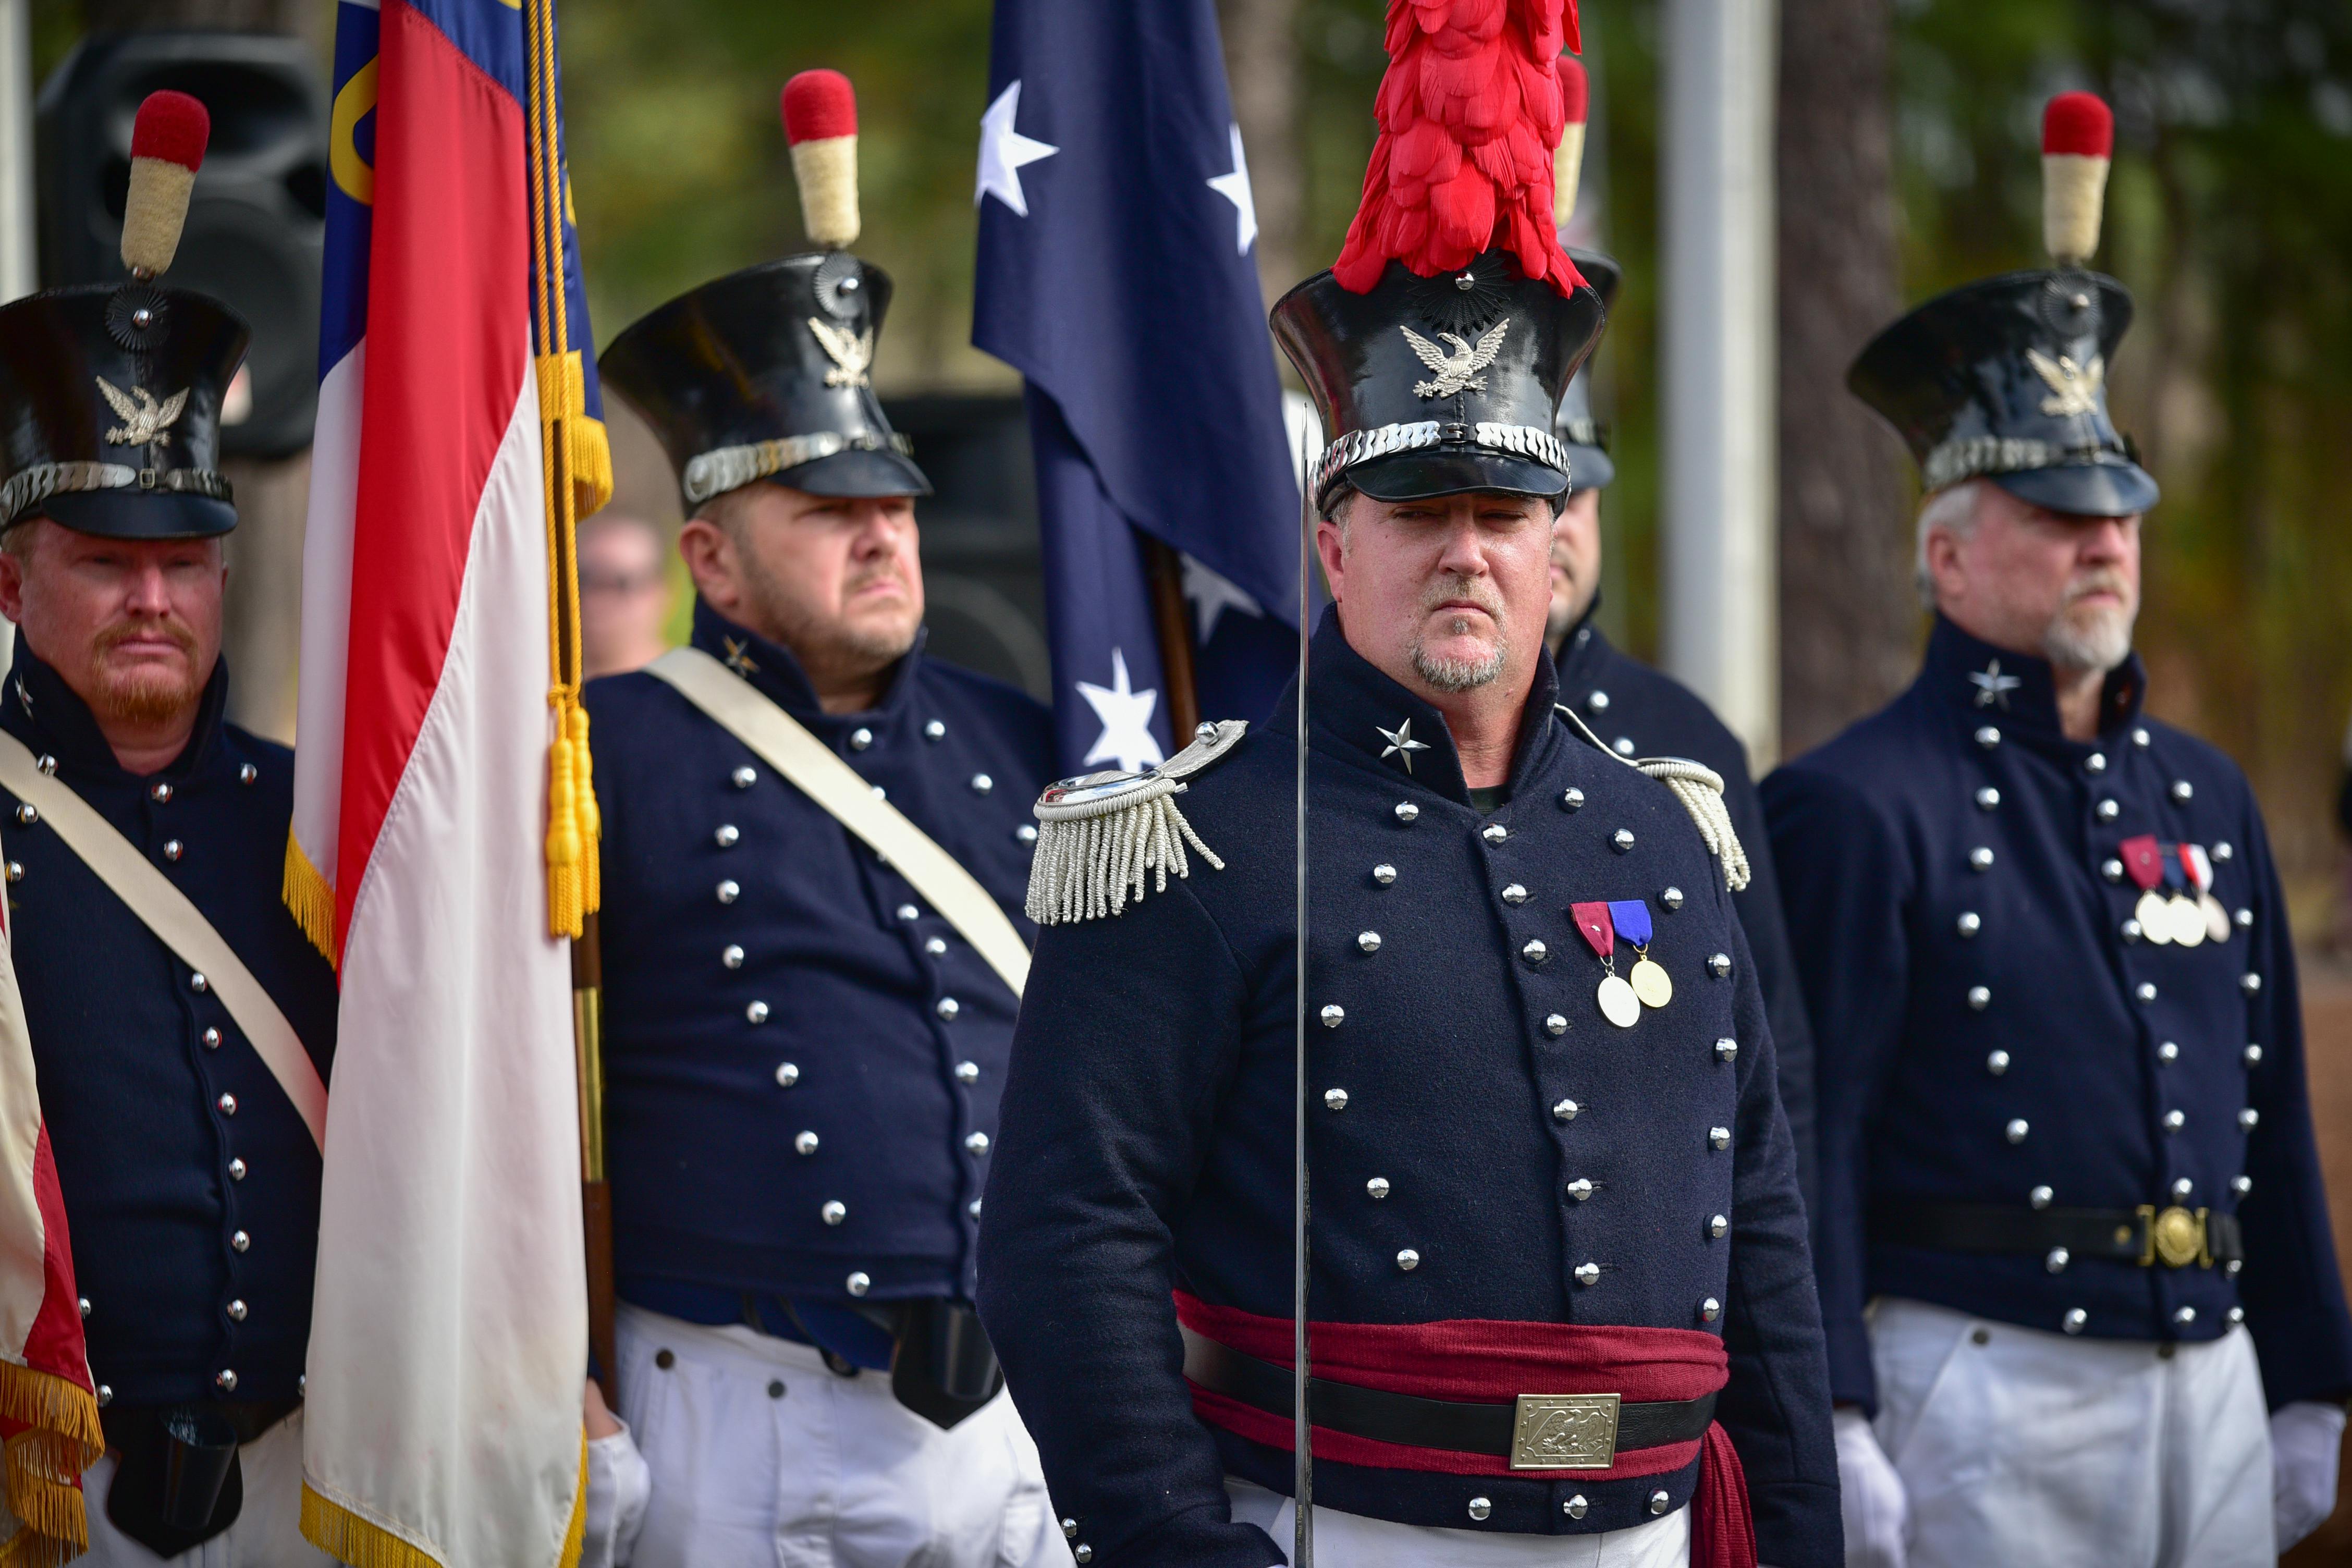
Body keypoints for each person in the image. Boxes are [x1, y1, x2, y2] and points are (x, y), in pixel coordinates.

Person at [975, 17, 1840, 1565]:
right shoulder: (1187, 848)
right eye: (1418, 506)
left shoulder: (1666, 829)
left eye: (1504, 508)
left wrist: (1795, 1536)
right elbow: (1063, 1245)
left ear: (1556, 535)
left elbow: (1760, 1243)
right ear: (1331, 539)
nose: (1464, 548)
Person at [1761, 90, 2352, 1568]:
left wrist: (2310, 1371)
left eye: (2122, 508)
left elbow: (2268, 1116)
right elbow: (1808, 1142)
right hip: (1982, 1389)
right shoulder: (1852, 805)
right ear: (1946, 553)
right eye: (2056, 507)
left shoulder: (2206, 798)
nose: (2105, 539)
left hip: (2209, 1375)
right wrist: (1831, 1409)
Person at [580, 69, 1062, 1567]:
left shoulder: (1018, 741)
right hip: (741, 1408)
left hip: (1010, 1411)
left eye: (897, 504)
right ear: (715, 561)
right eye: (829, 510)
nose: (881, 536)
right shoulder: (608, 757)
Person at [0, 91, 336, 1565]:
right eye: (102, 561)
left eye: (186, 563)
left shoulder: (319, 828)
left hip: (307, 1481)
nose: (153, 601)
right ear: (13, 586)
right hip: (49, 1490)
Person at [1547, 246, 1819, 1207]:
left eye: (1572, 493)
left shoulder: (1688, 739)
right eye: (1511, 499)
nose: (1551, 526)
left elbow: (1772, 1063)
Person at [578, 512, 675, 679]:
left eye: (619, 584)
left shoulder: (688, 694)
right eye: (584, 580)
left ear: (658, 592)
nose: (597, 602)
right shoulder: (544, 691)